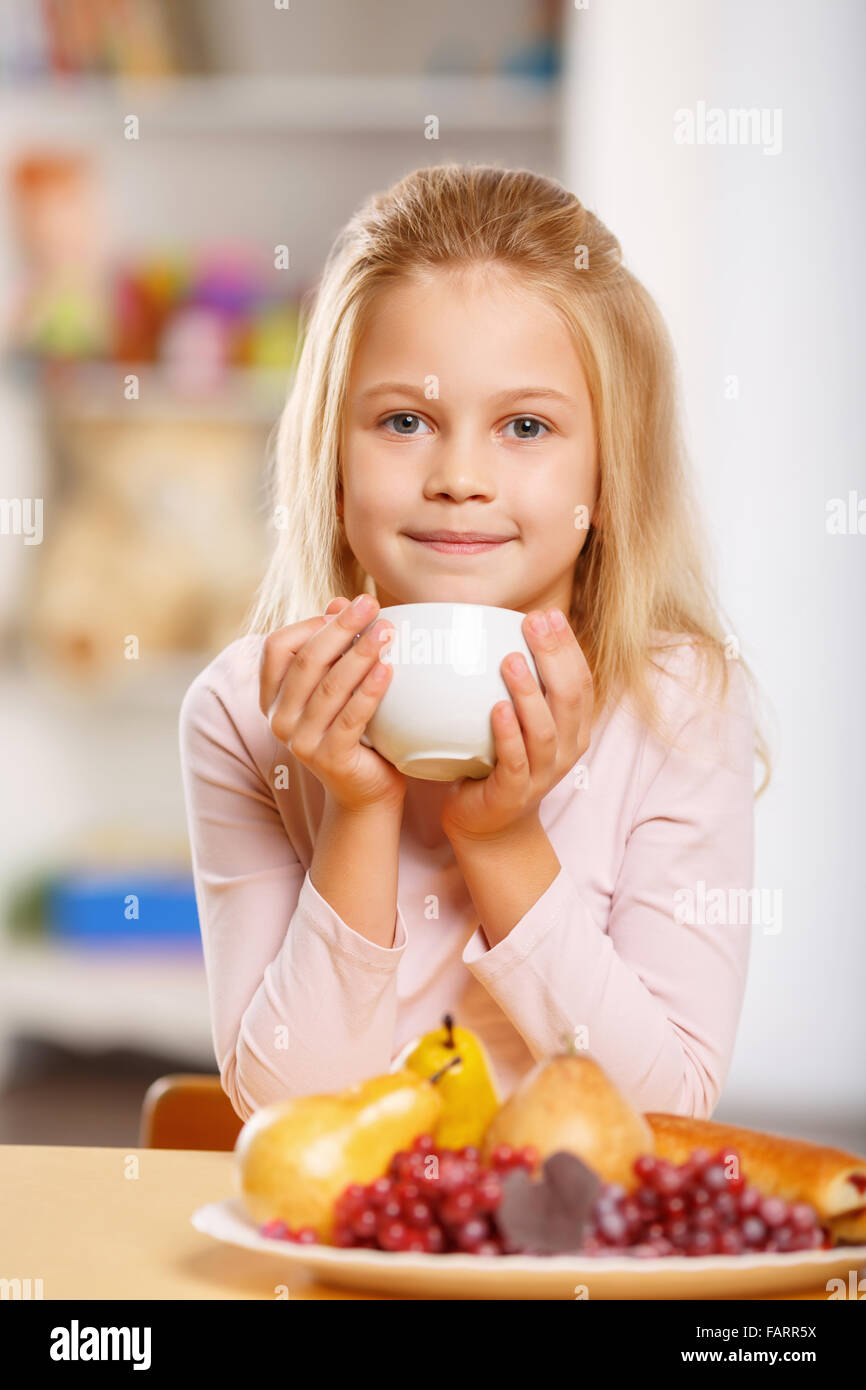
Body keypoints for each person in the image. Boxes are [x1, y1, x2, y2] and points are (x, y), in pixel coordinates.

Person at [179, 164, 770, 1125]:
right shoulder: (246, 713)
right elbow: (288, 1106)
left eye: (525, 425)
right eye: (404, 421)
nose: (460, 476)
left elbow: (665, 1118)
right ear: (332, 464)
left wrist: (503, 842)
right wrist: (358, 811)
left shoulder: (681, 702)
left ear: (610, 473)